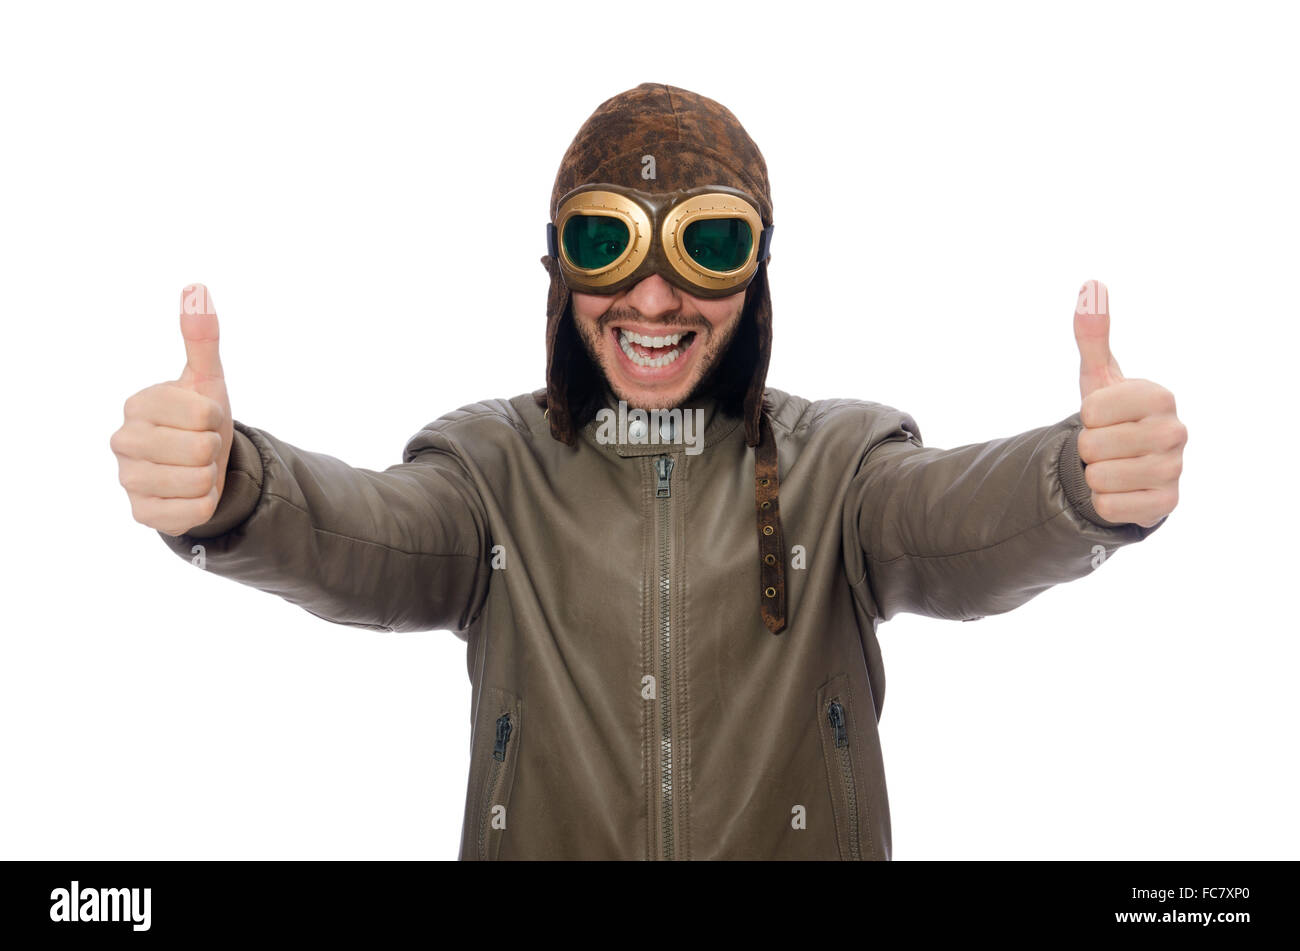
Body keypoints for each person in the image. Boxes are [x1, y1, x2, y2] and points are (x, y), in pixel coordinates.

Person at [109, 82, 1187, 860]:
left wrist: (1076, 485)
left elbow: (952, 523)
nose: (658, 300)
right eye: (610, 245)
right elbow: (370, 537)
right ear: (560, 266)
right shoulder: (492, 470)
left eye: (709, 247)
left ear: (757, 273)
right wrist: (234, 492)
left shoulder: (841, 467)